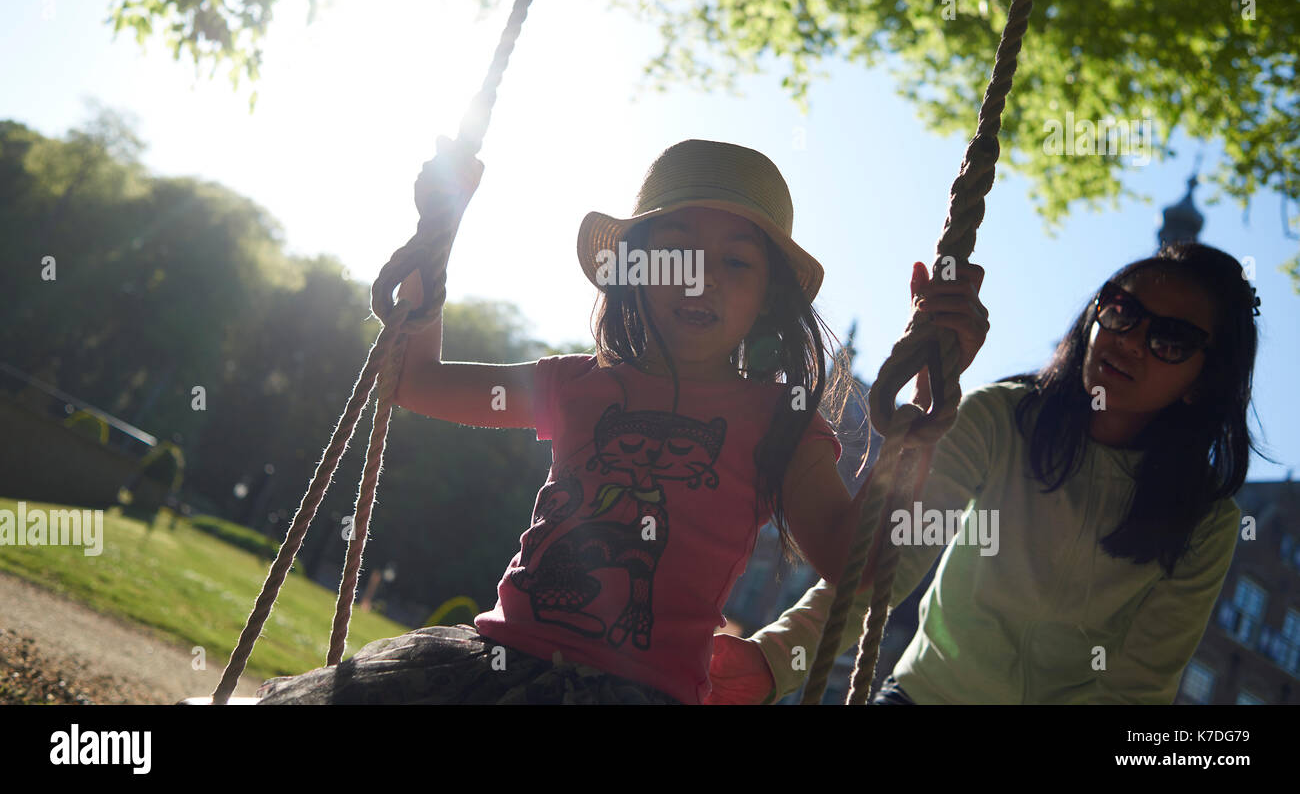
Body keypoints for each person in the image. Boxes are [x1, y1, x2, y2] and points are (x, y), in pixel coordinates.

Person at [255, 138, 988, 705]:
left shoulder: (780, 422)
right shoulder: (578, 385)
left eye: (735, 263)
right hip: (494, 670)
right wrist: (437, 243)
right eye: (679, 252)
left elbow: (853, 560)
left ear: (768, 299)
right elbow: (413, 380)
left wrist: (919, 422)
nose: (701, 277)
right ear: (637, 268)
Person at [704, 241, 1263, 705]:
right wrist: (775, 658)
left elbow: (1136, 691)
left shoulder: (1207, 523)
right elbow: (885, 563)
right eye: (1121, 310)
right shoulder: (1000, 419)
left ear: (1203, 382)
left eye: (1170, 340)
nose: (1131, 340)